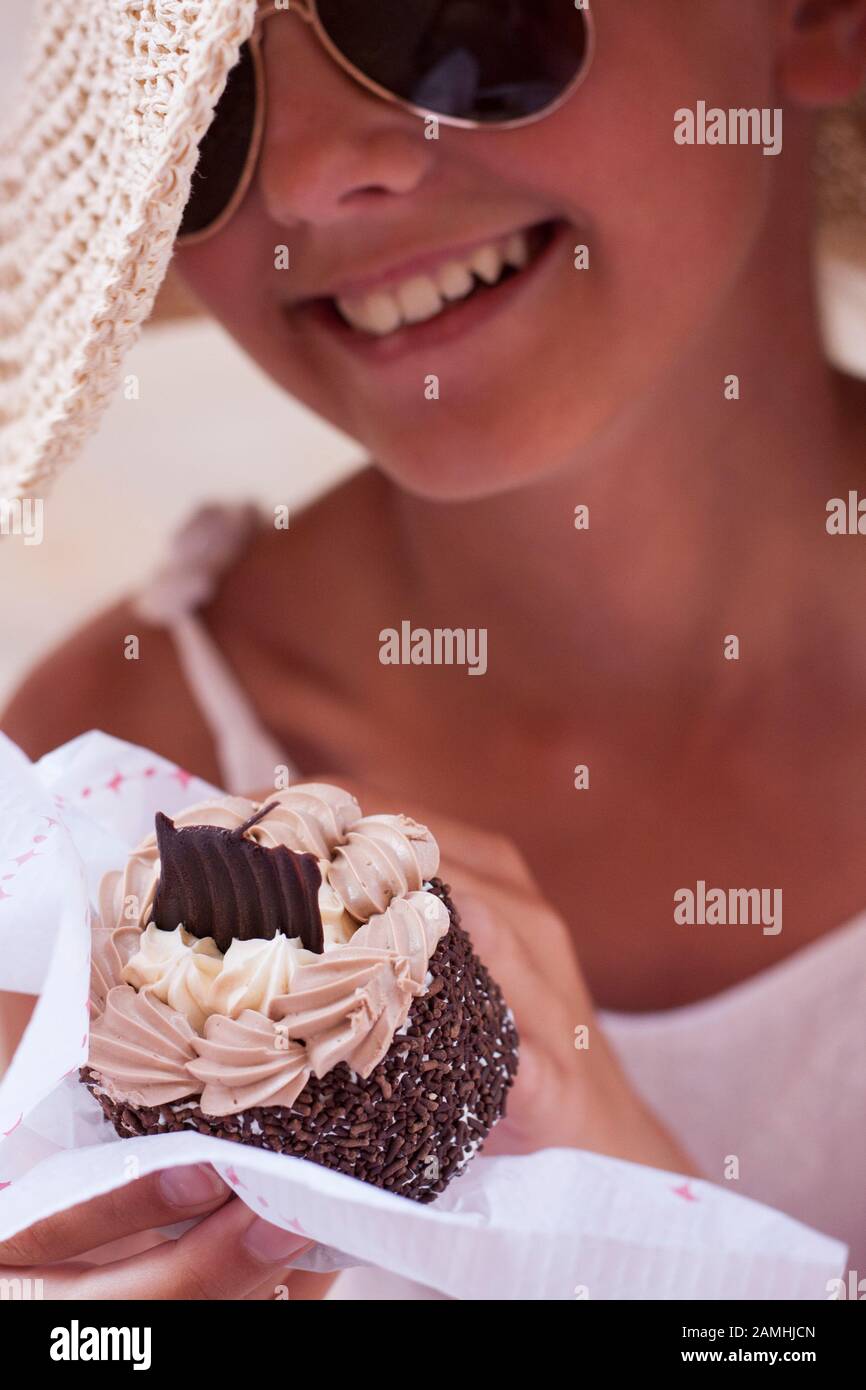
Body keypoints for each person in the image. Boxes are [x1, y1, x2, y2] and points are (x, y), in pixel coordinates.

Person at [1, 0, 865, 1299]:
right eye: (210, 102)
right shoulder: (101, 789)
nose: (309, 166)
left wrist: (635, 1225)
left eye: (430, 12)